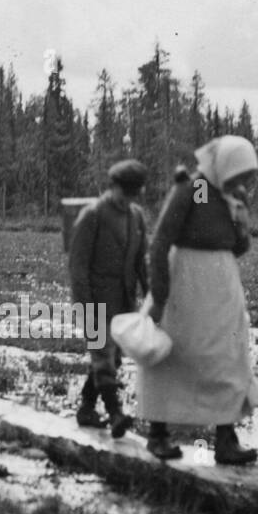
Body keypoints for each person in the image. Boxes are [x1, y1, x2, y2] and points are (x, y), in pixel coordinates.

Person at [137, 136, 258, 464]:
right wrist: (160, 295)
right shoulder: (195, 189)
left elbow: (238, 247)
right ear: (222, 166)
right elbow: (160, 241)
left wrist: (241, 223)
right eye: (237, 174)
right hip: (186, 281)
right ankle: (158, 434)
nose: (241, 182)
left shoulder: (233, 197)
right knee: (173, 354)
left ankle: (226, 438)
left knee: (229, 356)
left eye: (245, 177)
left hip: (222, 282)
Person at [68, 159, 149, 437]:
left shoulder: (136, 216)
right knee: (103, 356)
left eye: (132, 195)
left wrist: (150, 296)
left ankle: (86, 409)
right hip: (94, 301)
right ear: (112, 187)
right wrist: (85, 307)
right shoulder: (93, 215)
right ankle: (116, 415)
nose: (127, 200)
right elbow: (77, 267)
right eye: (123, 193)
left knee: (112, 360)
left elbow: (141, 263)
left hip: (124, 302)